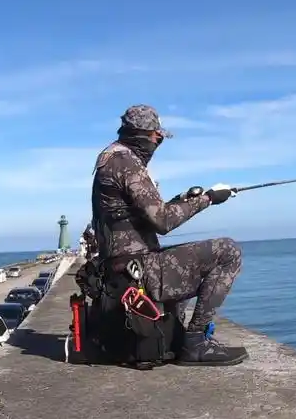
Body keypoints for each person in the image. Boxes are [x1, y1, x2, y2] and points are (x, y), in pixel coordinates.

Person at [91, 104, 248, 366]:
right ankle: (196, 343)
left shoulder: (109, 158)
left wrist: (181, 200)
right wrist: (209, 198)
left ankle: (176, 336)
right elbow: (163, 221)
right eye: (157, 136)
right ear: (142, 134)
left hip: (121, 269)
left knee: (179, 259)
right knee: (228, 252)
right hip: (135, 271)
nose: (159, 141)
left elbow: (142, 217)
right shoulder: (126, 162)